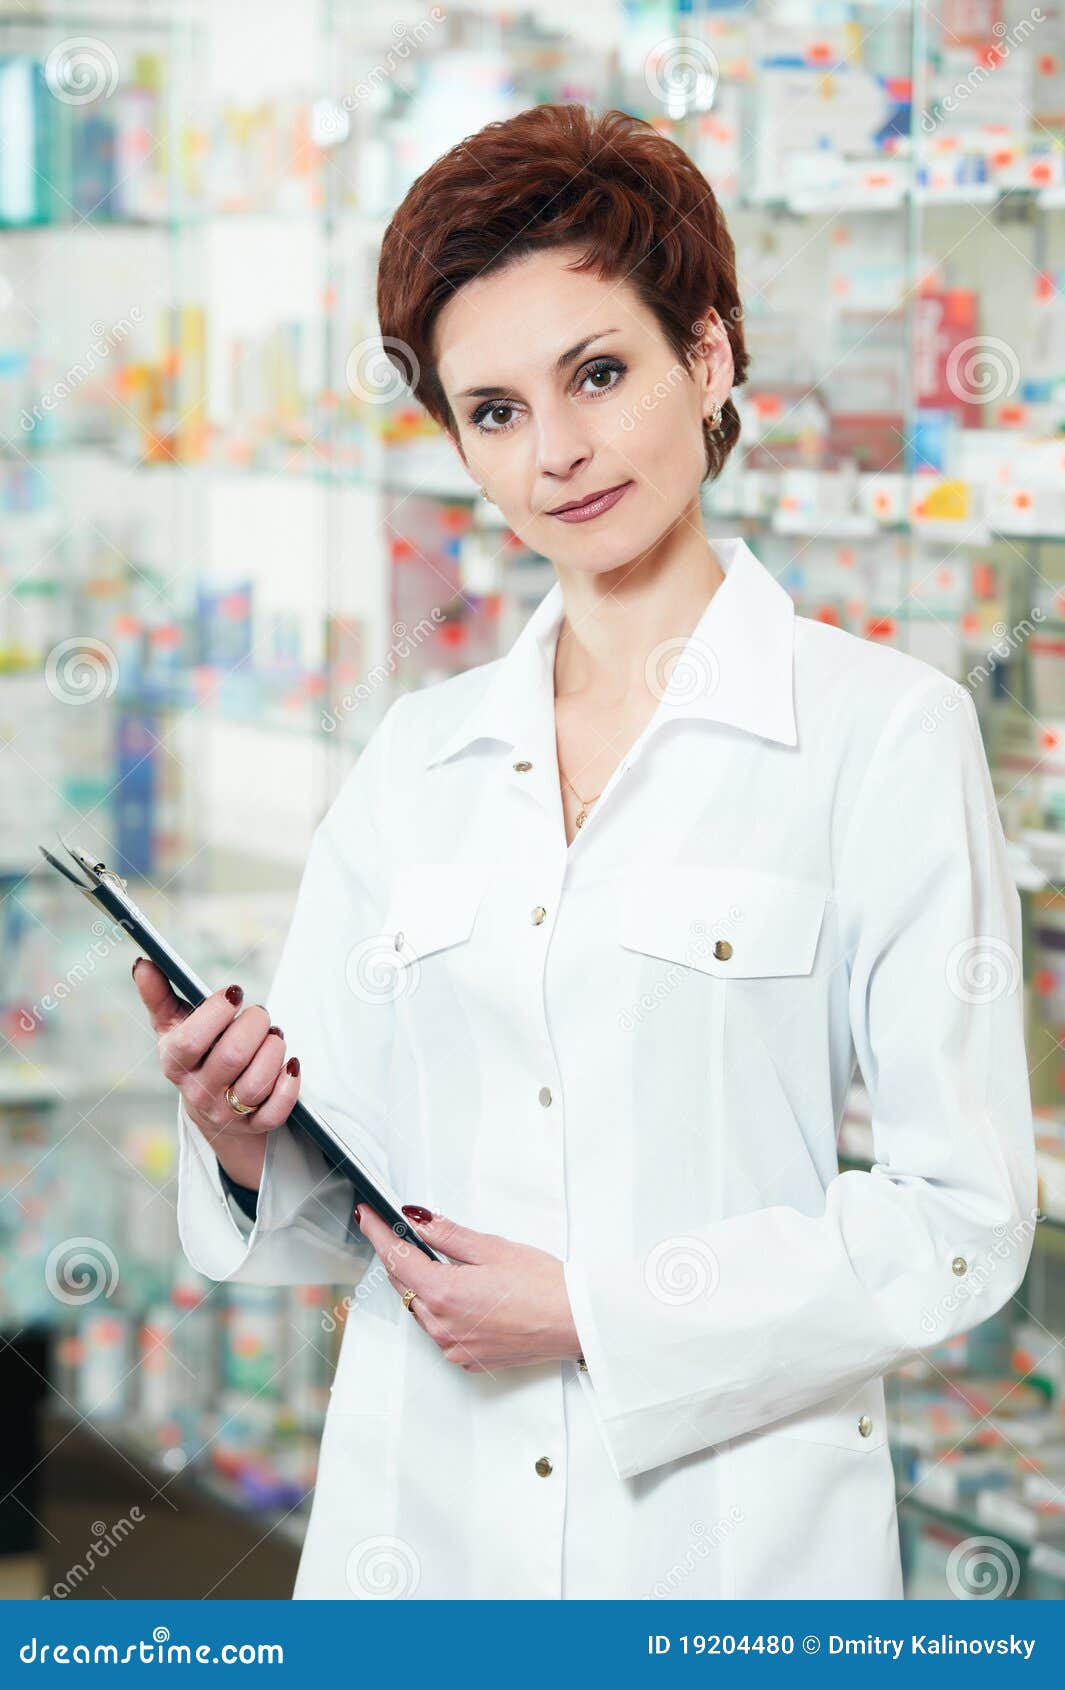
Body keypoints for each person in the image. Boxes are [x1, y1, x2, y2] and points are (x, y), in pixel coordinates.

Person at [134, 104, 1037, 1600]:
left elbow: (961, 1218)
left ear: (707, 358)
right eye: (491, 411)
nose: (554, 452)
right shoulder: (415, 760)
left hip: (726, 1558)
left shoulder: (881, 734)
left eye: (597, 374)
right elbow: (340, 1204)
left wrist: (599, 1313)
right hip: (416, 1539)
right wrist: (244, 1141)